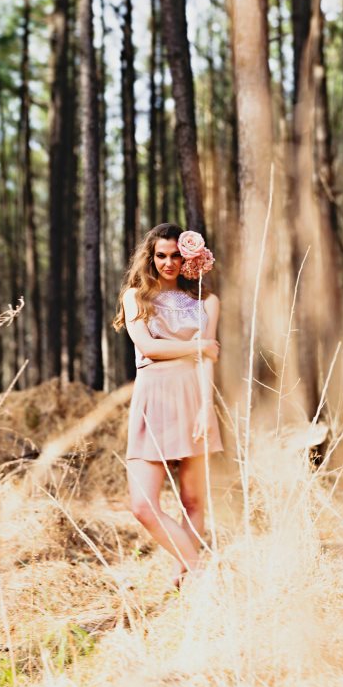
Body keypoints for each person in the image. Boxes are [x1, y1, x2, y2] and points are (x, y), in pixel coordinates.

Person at [113, 222, 223, 586]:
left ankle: (187, 581)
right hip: (153, 395)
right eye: (161, 255)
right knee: (143, 506)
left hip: (193, 395)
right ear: (150, 257)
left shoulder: (206, 301)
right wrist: (198, 346)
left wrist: (207, 408)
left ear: (190, 258)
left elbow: (208, 360)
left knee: (193, 502)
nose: (169, 262)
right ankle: (200, 570)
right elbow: (149, 347)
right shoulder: (136, 297)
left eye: (177, 255)